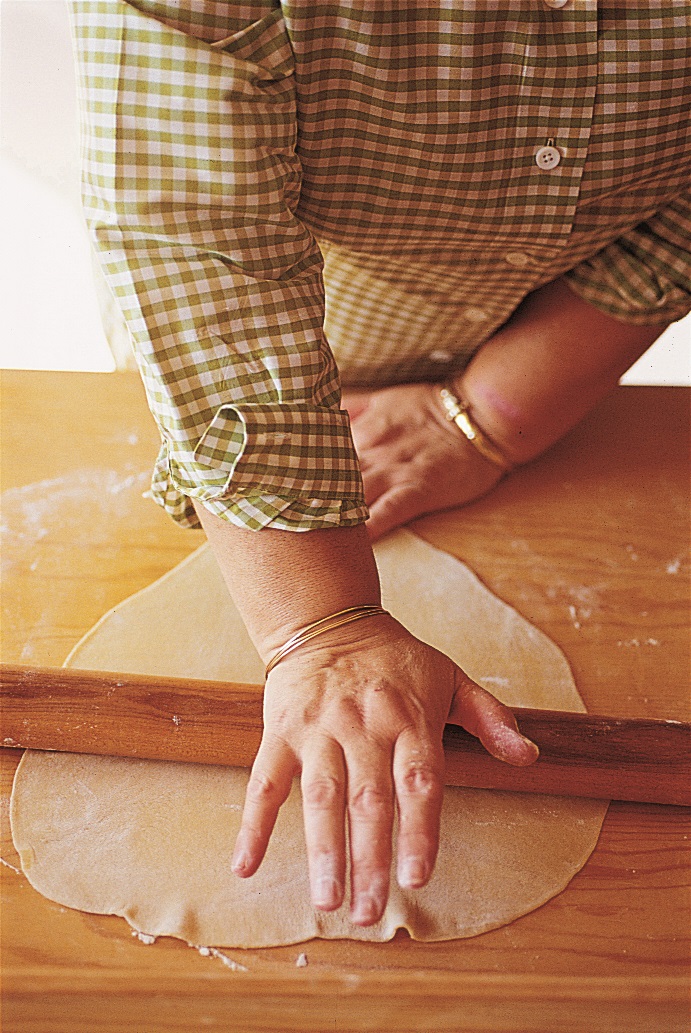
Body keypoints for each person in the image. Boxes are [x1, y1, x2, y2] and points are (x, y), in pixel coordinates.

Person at [69, 2, 690, 928]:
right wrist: (320, 627)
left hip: (542, 340)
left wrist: (489, 417)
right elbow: (195, 233)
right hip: (254, 370)